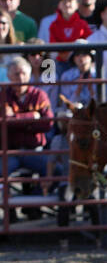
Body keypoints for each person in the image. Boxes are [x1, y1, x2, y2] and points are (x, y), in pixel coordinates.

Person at [2, 57, 53, 190]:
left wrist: (14, 118)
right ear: (9, 76)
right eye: (16, 74)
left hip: (34, 150)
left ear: (29, 75)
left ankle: (35, 203)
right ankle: (9, 206)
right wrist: (32, 117)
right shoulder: (3, 96)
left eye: (23, 73)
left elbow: (48, 124)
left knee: (55, 170)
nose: (21, 78)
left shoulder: (39, 95)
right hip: (10, 151)